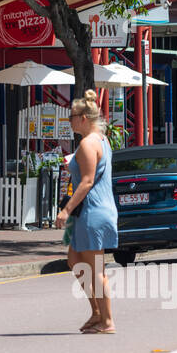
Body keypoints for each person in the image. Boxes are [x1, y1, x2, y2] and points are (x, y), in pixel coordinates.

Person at [54, 89, 119, 334]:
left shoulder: (88, 144)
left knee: (96, 269)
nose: (69, 121)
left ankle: (107, 321)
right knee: (75, 259)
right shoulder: (101, 140)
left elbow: (87, 181)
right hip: (92, 211)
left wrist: (66, 210)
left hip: (93, 211)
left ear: (83, 118)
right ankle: (96, 312)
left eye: (71, 117)